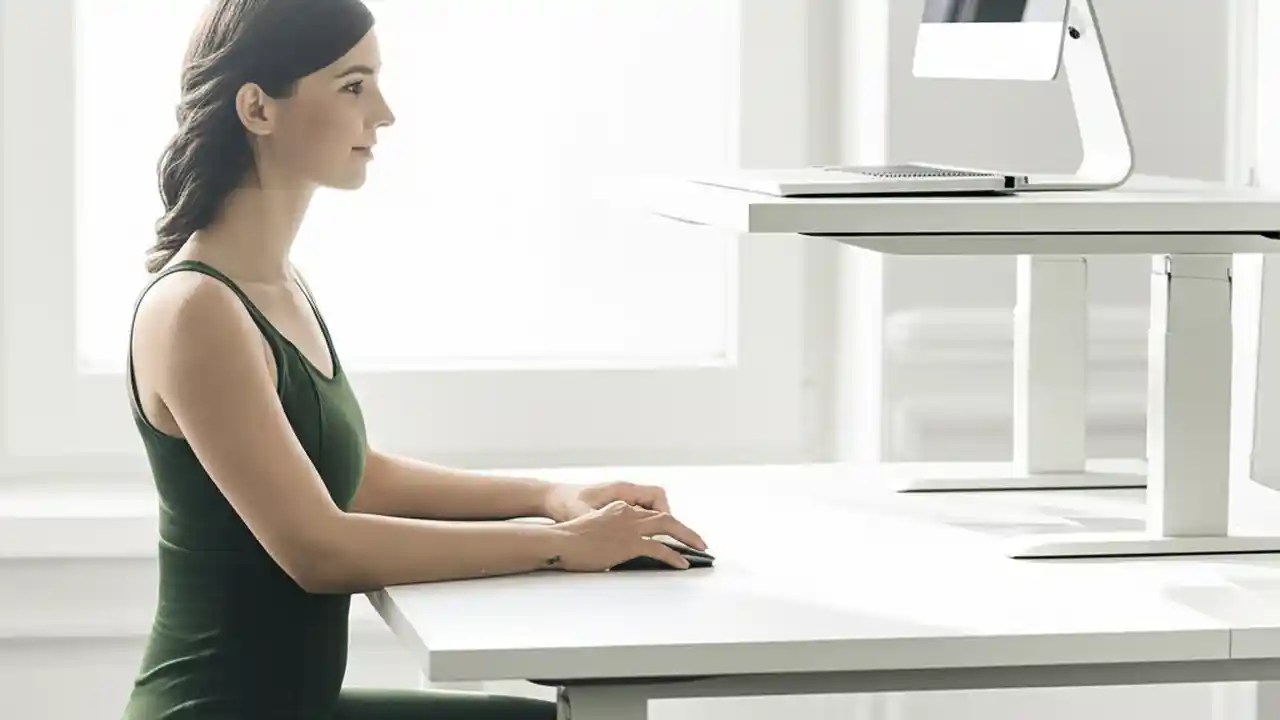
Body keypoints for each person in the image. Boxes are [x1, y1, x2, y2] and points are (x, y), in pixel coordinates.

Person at [121, 1, 709, 717]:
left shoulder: (275, 285)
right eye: (353, 86)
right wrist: (561, 544)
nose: (384, 113)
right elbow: (319, 552)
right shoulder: (197, 311)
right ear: (258, 109)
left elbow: (355, 476)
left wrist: (551, 498)